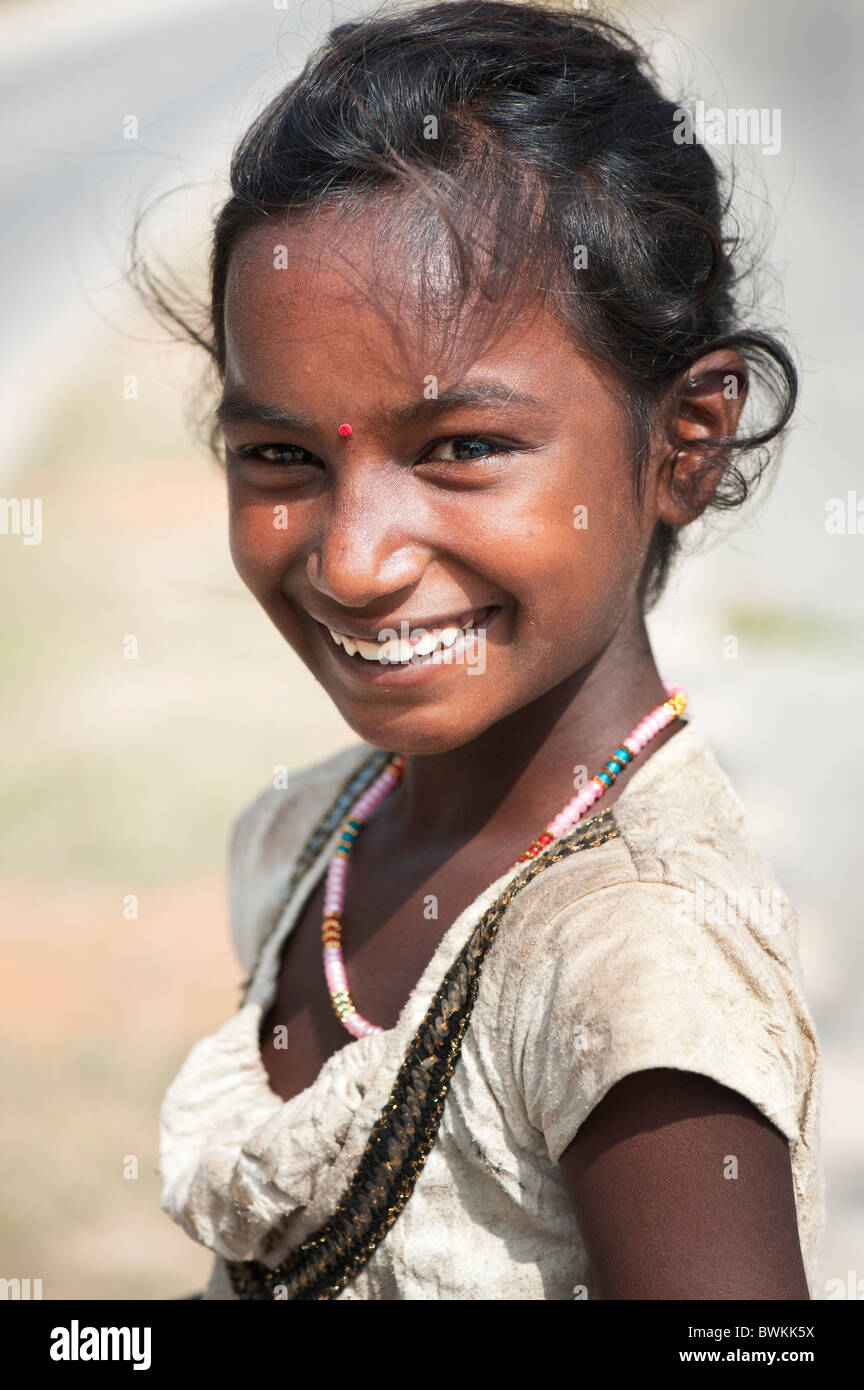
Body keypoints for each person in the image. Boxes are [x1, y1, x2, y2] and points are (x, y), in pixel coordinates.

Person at [153, 0, 824, 1299]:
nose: (353, 559)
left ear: (685, 442)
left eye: (460, 448)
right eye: (281, 457)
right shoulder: (319, 835)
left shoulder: (634, 965)